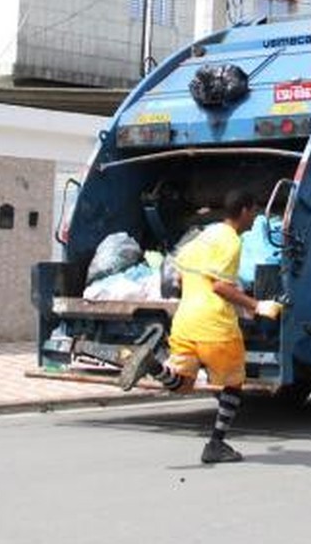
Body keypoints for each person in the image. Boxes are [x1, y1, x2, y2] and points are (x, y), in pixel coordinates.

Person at [118, 189, 283, 464]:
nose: (255, 218)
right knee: (233, 384)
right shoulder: (231, 242)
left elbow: (179, 278)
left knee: (181, 383)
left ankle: (154, 365)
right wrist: (256, 306)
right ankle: (216, 444)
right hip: (215, 326)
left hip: (185, 321)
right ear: (243, 211)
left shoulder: (202, 237)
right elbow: (220, 286)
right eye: (254, 211)